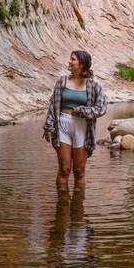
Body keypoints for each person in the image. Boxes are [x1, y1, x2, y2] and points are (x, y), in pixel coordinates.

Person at [42, 49, 107, 192]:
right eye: (70, 59)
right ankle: (62, 209)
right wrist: (48, 127)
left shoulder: (93, 86)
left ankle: (78, 210)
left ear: (82, 64)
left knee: (79, 171)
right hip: (62, 125)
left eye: (73, 59)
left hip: (82, 127)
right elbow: (53, 105)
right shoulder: (62, 81)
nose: (69, 62)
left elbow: (102, 108)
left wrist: (84, 111)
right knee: (64, 169)